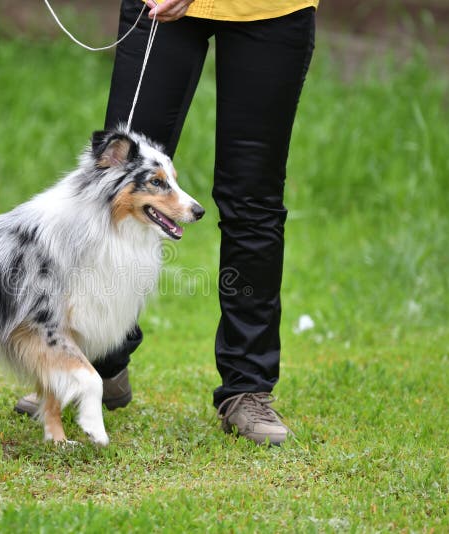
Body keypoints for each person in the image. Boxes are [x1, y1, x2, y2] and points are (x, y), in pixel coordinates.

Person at [17, 0, 317, 446]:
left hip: (270, 10)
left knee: (253, 201)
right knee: (116, 183)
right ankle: (101, 361)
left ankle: (247, 388)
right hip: (161, 7)